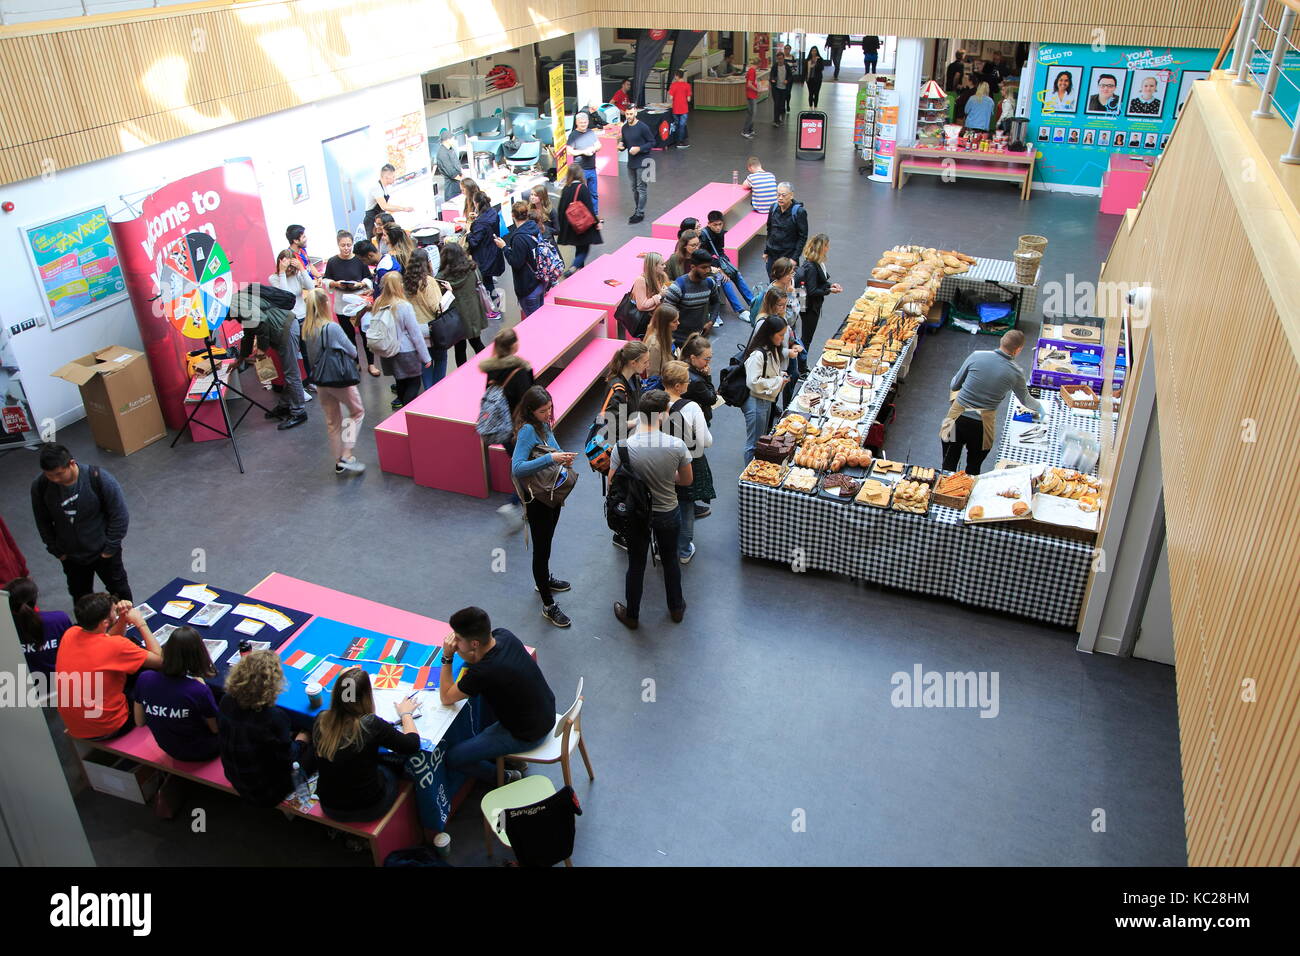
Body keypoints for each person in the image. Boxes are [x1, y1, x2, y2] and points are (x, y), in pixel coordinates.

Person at [439, 606, 557, 784]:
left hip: (527, 734)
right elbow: (475, 659)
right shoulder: (504, 635)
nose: (453, 642)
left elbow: (446, 697)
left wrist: (447, 656)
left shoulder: (483, 672)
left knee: (453, 758)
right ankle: (509, 758)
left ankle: (504, 777)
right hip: (545, 712)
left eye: (457, 638)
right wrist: (463, 649)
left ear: (474, 644)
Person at [611, 390, 692, 629]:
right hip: (667, 511)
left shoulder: (622, 447)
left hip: (637, 514)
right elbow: (686, 480)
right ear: (661, 415)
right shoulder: (676, 446)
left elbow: (612, 483)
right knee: (670, 561)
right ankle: (676, 608)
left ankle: (632, 614)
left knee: (636, 564)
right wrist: (668, 476)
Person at [306, 667, 419, 822]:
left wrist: (348, 681)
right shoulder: (370, 724)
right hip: (369, 807)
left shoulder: (322, 719)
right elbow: (412, 745)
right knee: (395, 766)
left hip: (329, 805)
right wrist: (406, 714)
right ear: (367, 697)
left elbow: (347, 697)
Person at [31, 443, 133, 603]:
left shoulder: (99, 479)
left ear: (71, 463)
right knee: (81, 598)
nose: (54, 479)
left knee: (119, 592)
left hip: (104, 552)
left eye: (58, 474)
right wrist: (58, 551)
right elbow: (42, 521)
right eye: (49, 475)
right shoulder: (40, 486)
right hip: (71, 557)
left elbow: (119, 515)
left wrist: (109, 549)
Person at [510, 386, 576, 628]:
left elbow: (555, 447)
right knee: (541, 547)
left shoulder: (544, 425)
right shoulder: (528, 430)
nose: (548, 414)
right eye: (542, 410)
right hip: (537, 498)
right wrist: (551, 459)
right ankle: (548, 605)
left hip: (551, 494)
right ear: (530, 411)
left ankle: (544, 579)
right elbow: (516, 468)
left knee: (547, 542)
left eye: (549, 408)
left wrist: (562, 456)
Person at [56, 592, 161, 740]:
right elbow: (159, 660)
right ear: (105, 623)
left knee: (131, 658)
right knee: (150, 673)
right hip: (110, 727)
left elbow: (109, 640)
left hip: (77, 725)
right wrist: (140, 623)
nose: (117, 611)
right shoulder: (116, 646)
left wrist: (123, 619)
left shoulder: (70, 633)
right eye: (115, 611)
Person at [941, 329, 1045, 474]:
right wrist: (1040, 409)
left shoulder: (976, 356)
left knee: (948, 463)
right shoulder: (1015, 373)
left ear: (1001, 341)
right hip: (981, 428)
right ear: (1018, 349)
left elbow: (954, 385)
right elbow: (1026, 400)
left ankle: (942, 492)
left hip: (954, 421)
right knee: (973, 468)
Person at [219, 650, 310, 807]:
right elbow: (290, 756)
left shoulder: (226, 700)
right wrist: (302, 740)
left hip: (235, 775)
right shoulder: (273, 717)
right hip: (267, 791)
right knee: (315, 749)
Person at [301, 289, 366, 474]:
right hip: (339, 379)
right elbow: (353, 351)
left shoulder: (306, 328)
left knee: (332, 421)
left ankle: (339, 461)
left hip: (321, 381)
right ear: (325, 305)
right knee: (356, 412)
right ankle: (346, 454)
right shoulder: (332, 327)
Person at [132, 626, 220, 762]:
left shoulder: (145, 678)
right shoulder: (198, 689)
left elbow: (139, 721)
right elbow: (215, 729)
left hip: (168, 747)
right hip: (204, 750)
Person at [660, 360, 713, 564]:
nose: (689, 384)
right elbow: (705, 441)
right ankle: (683, 550)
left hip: (659, 462)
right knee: (685, 504)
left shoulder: (653, 401)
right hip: (687, 462)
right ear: (677, 386)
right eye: (687, 381)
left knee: (662, 504)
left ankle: (661, 548)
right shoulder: (691, 407)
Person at [742, 311, 797, 464]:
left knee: (761, 439)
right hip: (757, 401)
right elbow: (753, 382)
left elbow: (769, 371)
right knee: (754, 444)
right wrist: (778, 381)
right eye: (780, 335)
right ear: (770, 334)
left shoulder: (771, 349)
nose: (782, 338)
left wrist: (780, 375)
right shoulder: (758, 355)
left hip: (765, 400)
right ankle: (749, 475)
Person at [323, 229, 379, 378]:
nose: (346, 248)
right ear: (338, 245)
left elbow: (368, 278)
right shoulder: (333, 261)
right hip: (342, 304)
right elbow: (326, 279)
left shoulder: (359, 260)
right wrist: (335, 284)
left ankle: (371, 363)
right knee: (348, 336)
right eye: (343, 245)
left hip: (360, 302)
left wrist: (360, 284)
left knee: (365, 333)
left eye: (349, 245)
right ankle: (355, 362)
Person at [372, 272, 430, 409]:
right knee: (414, 383)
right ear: (400, 285)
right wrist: (426, 357)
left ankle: (401, 413)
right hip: (406, 351)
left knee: (400, 380)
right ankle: (407, 413)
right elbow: (415, 334)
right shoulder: (404, 306)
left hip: (388, 351)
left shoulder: (378, 303)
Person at [269, 247, 318, 395]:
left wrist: (302, 269)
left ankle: (311, 381)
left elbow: (310, 287)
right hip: (289, 320)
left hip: (303, 316)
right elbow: (286, 296)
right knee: (291, 356)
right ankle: (297, 387)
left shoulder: (297, 274)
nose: (290, 269)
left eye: (291, 266)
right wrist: (283, 273)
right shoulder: (274, 278)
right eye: (287, 266)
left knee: (307, 352)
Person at [437, 242, 489, 373]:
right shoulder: (472, 268)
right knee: (477, 342)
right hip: (473, 312)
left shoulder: (441, 279)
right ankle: (489, 368)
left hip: (455, 318)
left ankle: (462, 374)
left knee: (459, 348)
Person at [6, 576, 70, 676]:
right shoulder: (60, 619)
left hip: (17, 687)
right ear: (36, 597)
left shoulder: (4, 627)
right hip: (62, 683)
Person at [698, 209, 755, 322]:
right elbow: (705, 258)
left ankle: (753, 302)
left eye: (720, 224)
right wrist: (721, 270)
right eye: (715, 225)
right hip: (706, 266)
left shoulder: (720, 233)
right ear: (709, 224)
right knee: (725, 280)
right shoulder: (703, 237)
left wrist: (728, 266)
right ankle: (740, 311)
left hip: (718, 263)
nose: (718, 227)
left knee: (736, 274)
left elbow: (720, 251)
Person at [795, 234, 843, 361]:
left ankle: (801, 364)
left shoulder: (816, 262)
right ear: (821, 248)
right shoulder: (811, 266)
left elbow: (818, 282)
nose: (828, 248)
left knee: (806, 337)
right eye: (827, 246)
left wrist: (830, 285)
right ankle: (801, 366)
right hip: (809, 306)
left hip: (809, 304)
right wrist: (829, 290)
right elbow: (812, 290)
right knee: (806, 338)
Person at [496, 200, 547, 317]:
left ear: (513, 215)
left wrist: (504, 248)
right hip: (540, 280)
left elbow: (516, 262)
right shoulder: (534, 229)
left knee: (534, 323)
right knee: (541, 318)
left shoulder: (519, 238)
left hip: (528, 286)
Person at [662, 249, 722, 341]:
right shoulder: (678, 287)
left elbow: (716, 302)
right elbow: (666, 313)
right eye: (704, 267)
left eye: (709, 267)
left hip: (701, 337)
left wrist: (711, 322)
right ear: (693, 267)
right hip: (678, 339)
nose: (707, 270)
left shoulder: (710, 283)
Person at [556, 163, 603, 273]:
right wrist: (597, 222)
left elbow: (561, 209)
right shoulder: (582, 188)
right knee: (585, 248)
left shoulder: (566, 189)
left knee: (579, 247)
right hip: (583, 225)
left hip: (571, 225)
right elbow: (589, 208)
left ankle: (580, 270)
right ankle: (573, 267)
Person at [466, 192, 505, 315]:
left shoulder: (480, 223)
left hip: (483, 257)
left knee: (484, 284)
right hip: (493, 253)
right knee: (488, 283)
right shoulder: (493, 213)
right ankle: (497, 305)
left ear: (476, 203)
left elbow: (474, 242)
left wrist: (468, 231)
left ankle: (493, 310)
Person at [763, 183, 808, 277]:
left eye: (783, 195)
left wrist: (794, 258)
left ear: (791, 195)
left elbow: (802, 237)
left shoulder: (799, 212)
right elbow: (770, 230)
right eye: (778, 195)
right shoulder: (773, 208)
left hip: (788, 256)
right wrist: (766, 251)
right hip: (772, 254)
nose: (780, 198)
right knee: (773, 284)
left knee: (787, 285)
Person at [620, 105, 655, 224]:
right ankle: (637, 209)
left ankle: (640, 212)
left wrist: (639, 148)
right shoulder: (624, 128)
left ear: (635, 113)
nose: (629, 116)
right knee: (634, 188)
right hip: (632, 161)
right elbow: (625, 142)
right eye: (627, 114)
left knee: (641, 187)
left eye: (631, 114)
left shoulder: (643, 127)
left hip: (643, 160)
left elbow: (652, 142)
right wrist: (621, 146)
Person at [363, 164, 413, 239]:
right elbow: (384, 206)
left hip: (380, 218)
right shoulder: (376, 188)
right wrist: (403, 209)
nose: (394, 178)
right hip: (371, 220)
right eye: (393, 176)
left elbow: (386, 206)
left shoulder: (384, 187)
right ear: (387, 177)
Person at [566, 109, 602, 216]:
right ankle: (581, 214)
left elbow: (599, 145)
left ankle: (594, 214)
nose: (583, 125)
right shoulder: (573, 135)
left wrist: (594, 148)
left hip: (592, 168)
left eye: (585, 123)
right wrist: (583, 152)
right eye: (581, 123)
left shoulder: (591, 133)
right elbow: (569, 151)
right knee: (580, 193)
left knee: (594, 193)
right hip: (580, 170)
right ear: (577, 123)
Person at [630, 252, 669, 337]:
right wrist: (659, 296)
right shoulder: (641, 280)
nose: (665, 266)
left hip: (658, 317)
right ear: (654, 267)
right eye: (662, 265)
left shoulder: (662, 276)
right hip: (646, 321)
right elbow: (641, 305)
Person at [643, 303, 680, 383]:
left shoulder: (664, 334)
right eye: (674, 321)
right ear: (665, 324)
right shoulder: (655, 346)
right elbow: (653, 375)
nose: (678, 323)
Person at [435, 129, 464, 201]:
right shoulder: (442, 153)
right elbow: (451, 173)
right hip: (452, 188)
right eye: (453, 139)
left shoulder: (450, 149)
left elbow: (457, 163)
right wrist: (464, 181)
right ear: (447, 140)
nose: (454, 140)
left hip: (458, 182)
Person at [668, 69, 692, 148]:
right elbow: (689, 99)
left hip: (675, 108)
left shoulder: (673, 85)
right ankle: (680, 141)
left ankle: (676, 141)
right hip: (684, 109)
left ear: (677, 76)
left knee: (677, 124)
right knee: (682, 125)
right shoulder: (687, 85)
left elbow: (671, 98)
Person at [770, 50, 791, 126]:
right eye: (778, 59)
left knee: (782, 104)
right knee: (776, 104)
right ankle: (776, 120)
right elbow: (771, 75)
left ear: (783, 58)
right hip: (776, 88)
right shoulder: (775, 66)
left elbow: (790, 76)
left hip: (784, 89)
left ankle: (780, 117)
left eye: (781, 59)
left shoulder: (787, 66)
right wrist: (772, 79)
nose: (780, 60)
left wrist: (787, 80)